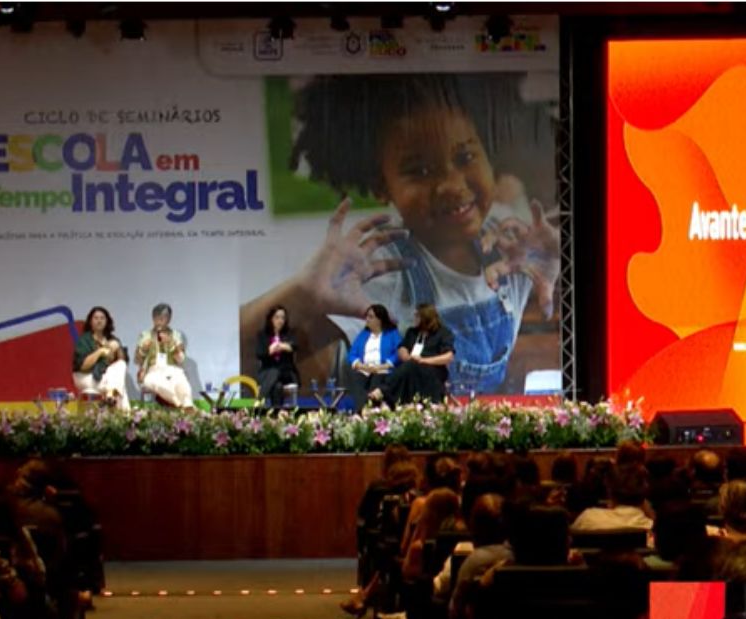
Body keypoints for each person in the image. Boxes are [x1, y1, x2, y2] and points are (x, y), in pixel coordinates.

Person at [239, 74, 559, 396]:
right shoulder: (381, 270)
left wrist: (561, 256)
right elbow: (243, 354)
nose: (452, 185)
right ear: (382, 185)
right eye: (419, 171)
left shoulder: (507, 243)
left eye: (465, 157)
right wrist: (302, 292)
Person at [379, 303, 455, 405]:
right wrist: (406, 355)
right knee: (409, 366)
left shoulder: (443, 333)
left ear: (425, 317)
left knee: (412, 365)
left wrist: (423, 360)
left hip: (432, 368)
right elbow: (402, 348)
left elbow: (448, 357)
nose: (414, 318)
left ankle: (383, 390)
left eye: (417, 316)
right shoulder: (412, 332)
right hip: (412, 366)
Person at [135, 302, 193, 408]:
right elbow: (137, 360)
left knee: (181, 380)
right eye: (157, 317)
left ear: (169, 319)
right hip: (153, 369)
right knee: (150, 381)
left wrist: (171, 344)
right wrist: (143, 349)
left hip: (172, 368)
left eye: (164, 317)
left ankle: (188, 405)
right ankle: (177, 401)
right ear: (153, 318)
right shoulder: (145, 335)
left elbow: (181, 359)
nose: (160, 320)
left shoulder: (175, 335)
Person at [345, 303, 402, 410]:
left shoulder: (392, 334)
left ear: (379, 320)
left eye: (371, 317)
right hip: (365, 369)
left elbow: (399, 352)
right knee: (355, 377)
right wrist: (361, 366)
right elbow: (352, 354)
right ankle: (362, 410)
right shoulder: (364, 334)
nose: (367, 319)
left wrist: (384, 366)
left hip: (382, 369)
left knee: (376, 380)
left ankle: (372, 411)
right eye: (366, 316)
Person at [72, 306, 130, 410]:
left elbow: (123, 363)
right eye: (96, 318)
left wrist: (118, 348)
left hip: (106, 377)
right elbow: (83, 366)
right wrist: (100, 351)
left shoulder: (112, 339)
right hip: (85, 376)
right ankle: (125, 417)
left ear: (107, 321)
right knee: (119, 387)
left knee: (120, 368)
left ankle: (110, 397)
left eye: (102, 318)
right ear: (90, 321)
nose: (99, 321)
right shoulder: (84, 339)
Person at [255, 305, 300, 408]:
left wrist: (282, 346)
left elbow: (294, 346)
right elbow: (259, 354)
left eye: (283, 318)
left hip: (286, 373)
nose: (280, 320)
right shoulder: (263, 335)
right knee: (277, 387)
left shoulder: (288, 334)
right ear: (271, 319)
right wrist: (270, 350)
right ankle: (277, 415)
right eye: (277, 317)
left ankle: (259, 401)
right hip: (267, 372)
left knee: (276, 371)